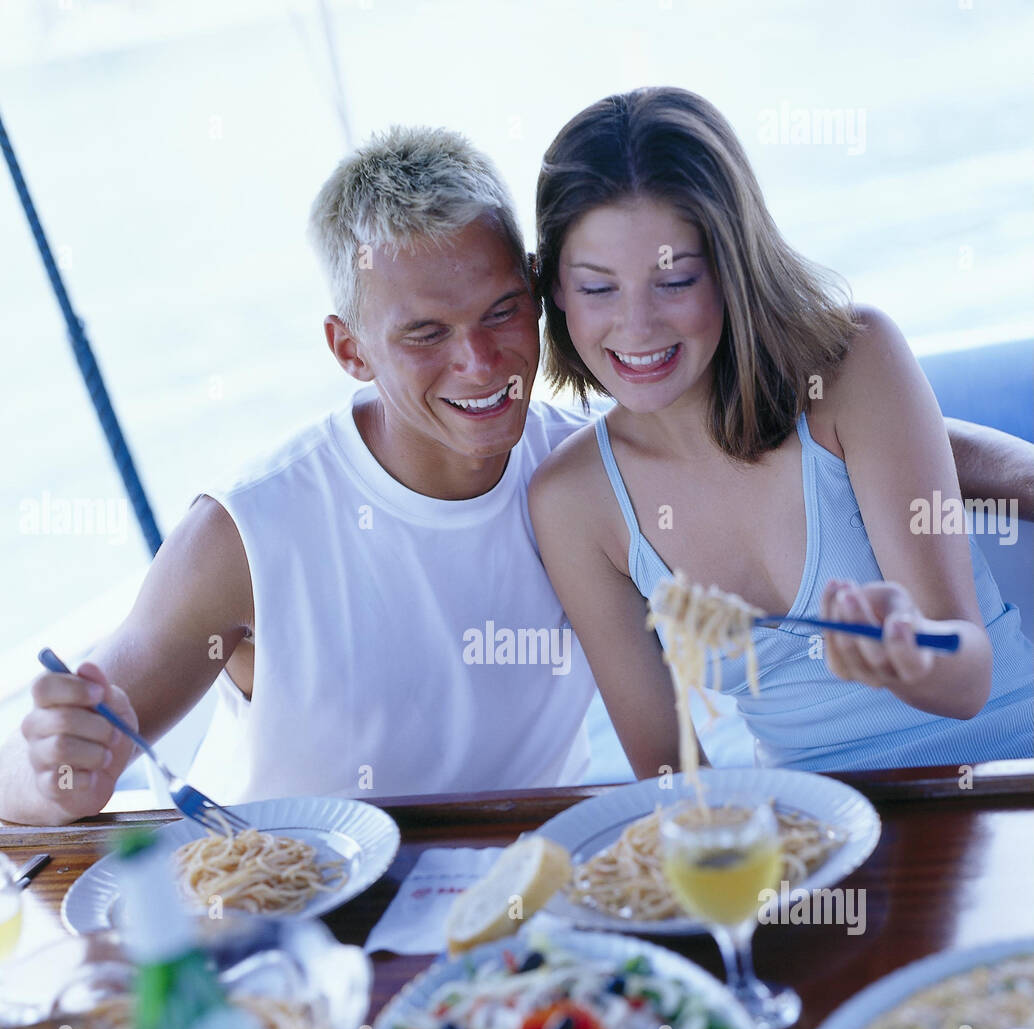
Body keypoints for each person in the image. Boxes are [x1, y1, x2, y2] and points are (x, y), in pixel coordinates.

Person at [0, 126, 1028, 827]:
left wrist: (1006, 474)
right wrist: (48, 766)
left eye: (501, 312)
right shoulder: (247, 536)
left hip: (527, 877)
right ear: (347, 349)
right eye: (424, 334)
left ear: (536, 302)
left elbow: (886, 444)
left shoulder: (563, 460)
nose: (482, 363)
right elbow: (56, 756)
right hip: (312, 915)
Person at [529, 88, 1033, 776]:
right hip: (817, 831)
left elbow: (967, 675)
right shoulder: (573, 501)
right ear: (555, 289)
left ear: (732, 267)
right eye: (597, 288)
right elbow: (672, 779)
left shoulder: (855, 365)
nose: (638, 326)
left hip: (1006, 777)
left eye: (675, 281)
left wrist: (911, 654)